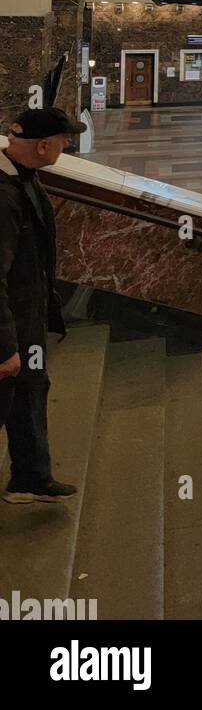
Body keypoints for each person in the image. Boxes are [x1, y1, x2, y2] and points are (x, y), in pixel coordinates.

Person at [0, 107, 85, 505]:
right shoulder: (5, 196)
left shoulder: (23, 178)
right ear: (44, 146)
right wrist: (5, 348)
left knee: (32, 390)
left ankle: (31, 477)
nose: (66, 147)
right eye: (65, 141)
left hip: (28, 320)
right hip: (12, 326)